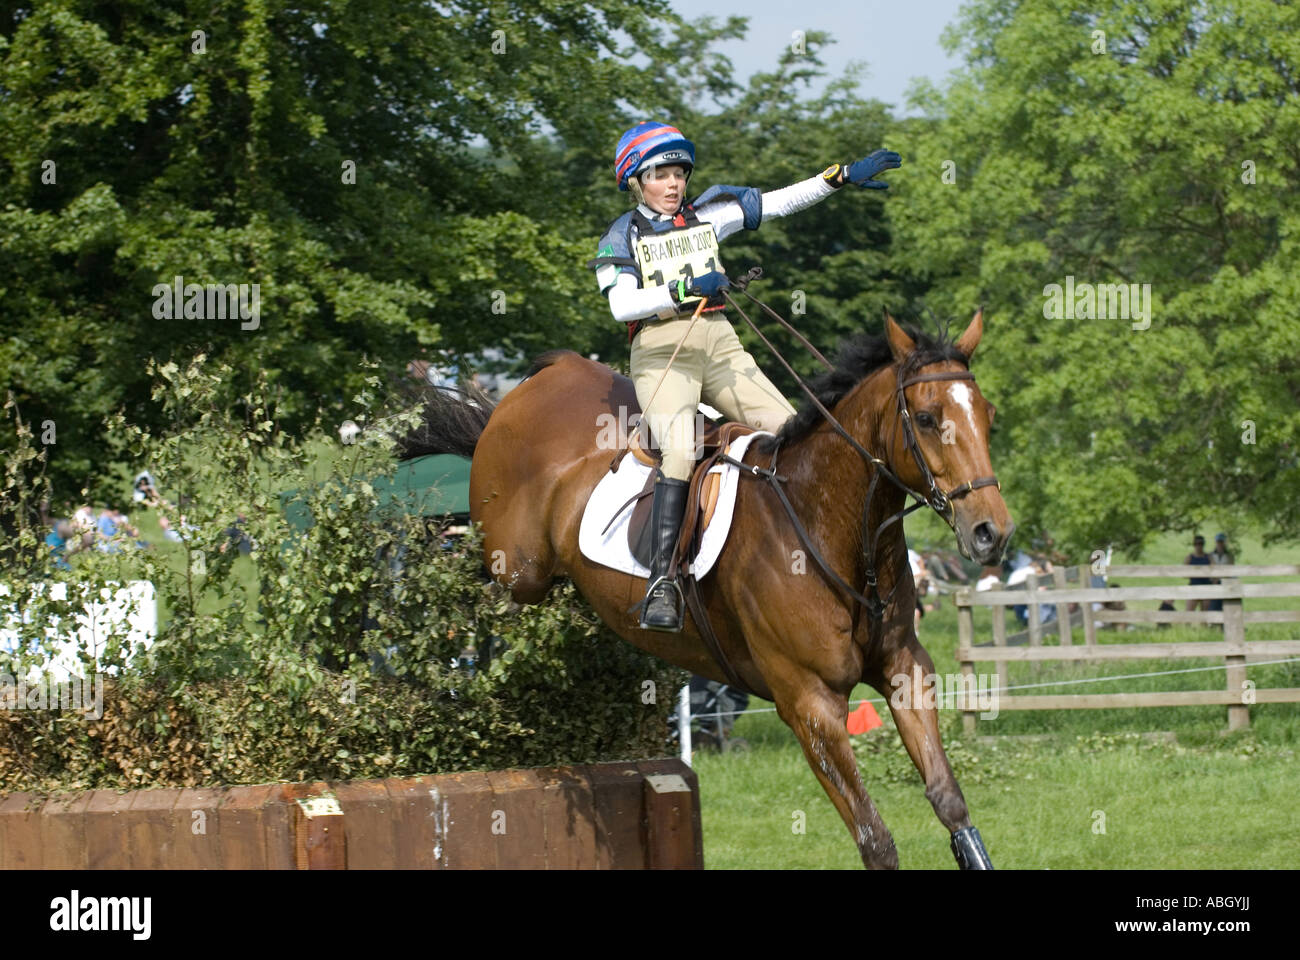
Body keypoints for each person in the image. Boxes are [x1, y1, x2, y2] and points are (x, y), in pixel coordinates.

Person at [589, 120, 903, 631]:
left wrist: (838, 178)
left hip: (719, 343)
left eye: (678, 174)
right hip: (662, 350)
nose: (673, 185)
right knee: (680, 449)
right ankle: (662, 583)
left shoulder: (708, 216)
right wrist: (685, 287)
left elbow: (778, 202)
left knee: (794, 435)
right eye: (660, 175)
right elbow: (622, 307)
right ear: (635, 181)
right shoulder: (621, 235)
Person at [1207, 532, 1234, 613]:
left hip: (1225, 581)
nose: (1220, 544)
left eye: (1221, 542)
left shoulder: (1229, 556)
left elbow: (1230, 568)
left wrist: (1219, 577)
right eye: (1218, 542)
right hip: (1213, 581)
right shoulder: (1210, 555)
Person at [1185, 534, 1212, 613]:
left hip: (1206, 587)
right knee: (1189, 611)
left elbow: (1214, 570)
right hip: (1193, 586)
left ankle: (1204, 625)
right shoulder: (1189, 557)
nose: (1199, 546)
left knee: (1205, 613)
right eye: (1197, 544)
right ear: (1194, 545)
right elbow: (1184, 573)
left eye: (1201, 544)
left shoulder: (1208, 557)